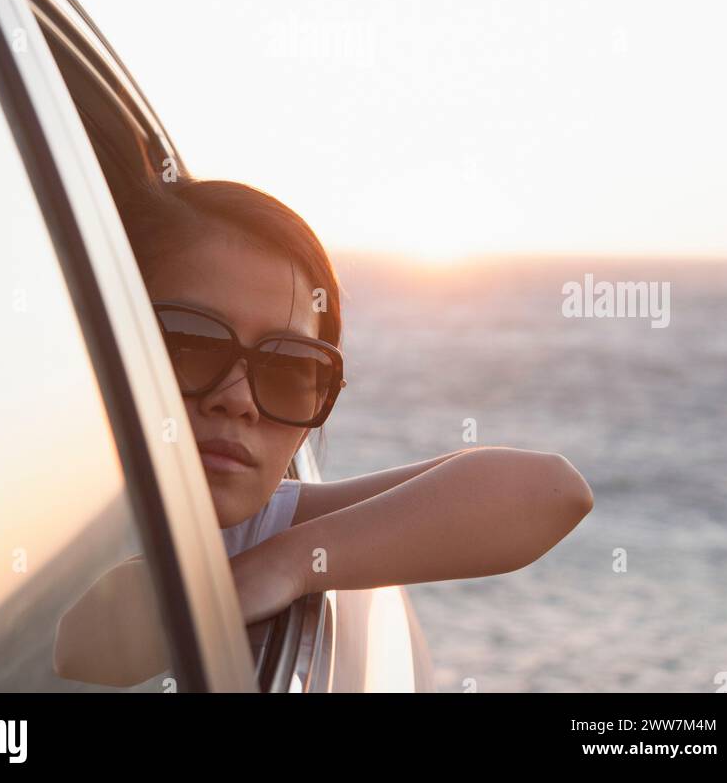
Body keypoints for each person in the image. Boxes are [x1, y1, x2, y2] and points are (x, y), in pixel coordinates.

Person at [53, 176, 593, 685]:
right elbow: (75, 647)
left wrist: (285, 565)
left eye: (288, 369)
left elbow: (551, 491)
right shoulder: (33, 517)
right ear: (103, 339)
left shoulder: (248, 536)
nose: (238, 400)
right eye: (190, 344)